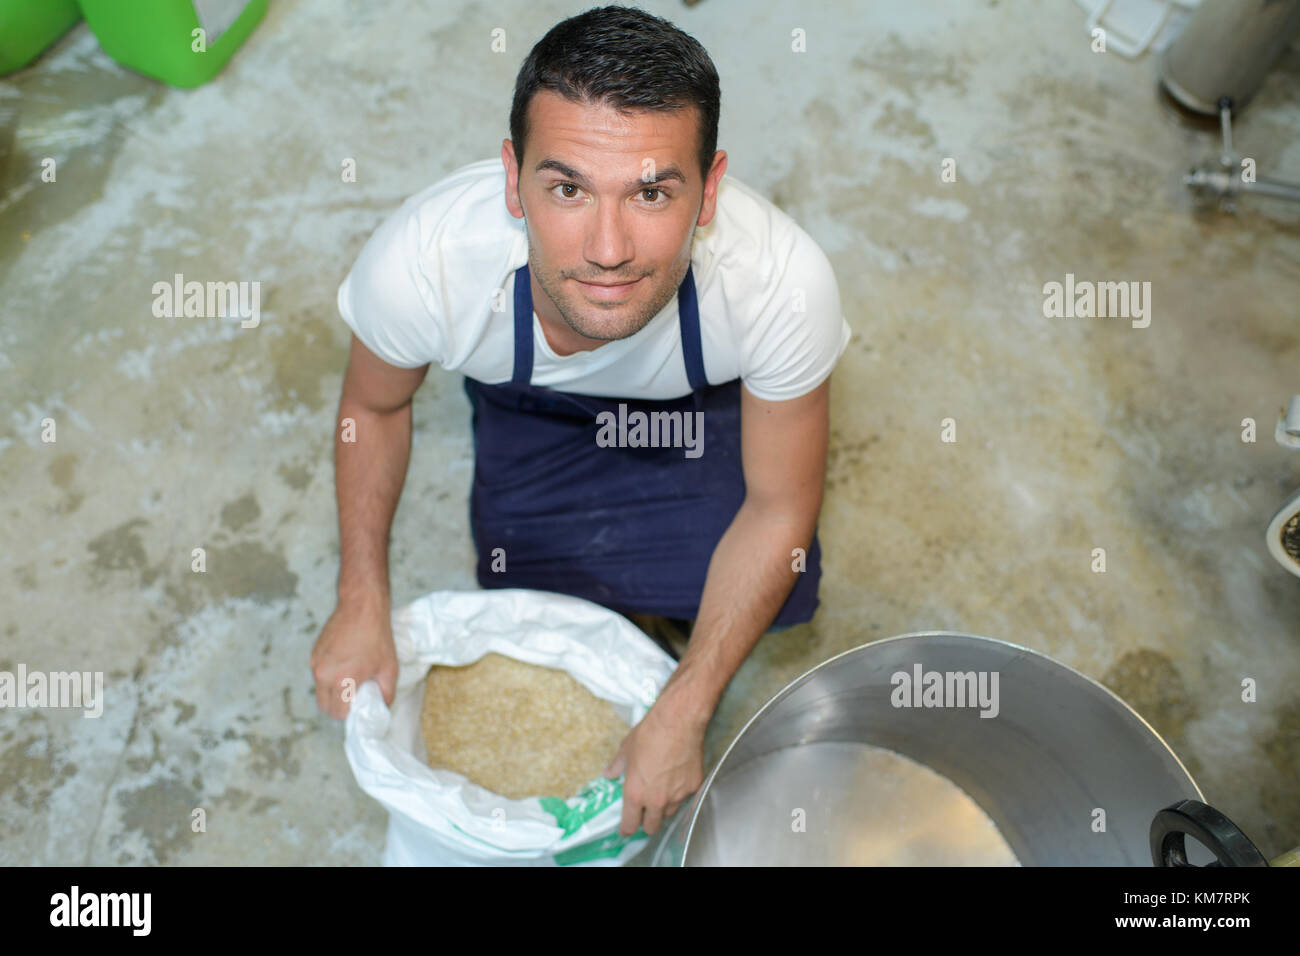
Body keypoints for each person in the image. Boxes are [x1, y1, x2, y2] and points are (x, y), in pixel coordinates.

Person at [310, 4, 851, 840]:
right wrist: (360, 597)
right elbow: (371, 407)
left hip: (693, 411)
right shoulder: (425, 264)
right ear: (511, 179)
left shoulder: (779, 286)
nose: (606, 248)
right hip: (533, 404)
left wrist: (685, 707)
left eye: (650, 192)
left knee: (784, 579)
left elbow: (777, 506)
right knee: (525, 598)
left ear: (708, 191)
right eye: (567, 188)